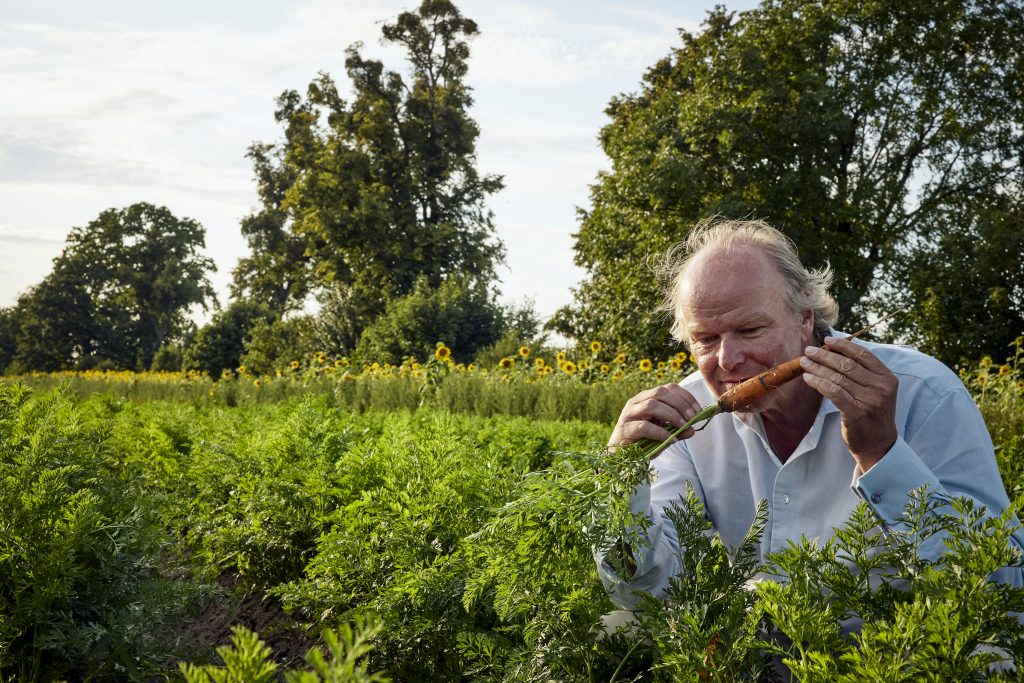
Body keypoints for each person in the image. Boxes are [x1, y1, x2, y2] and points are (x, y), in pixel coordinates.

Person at [596, 218, 1024, 609]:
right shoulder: (688, 418)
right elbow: (644, 591)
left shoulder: (924, 392)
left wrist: (882, 452)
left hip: (897, 652)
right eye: (705, 338)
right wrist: (620, 484)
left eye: (750, 330)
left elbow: (1001, 580)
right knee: (618, 627)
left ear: (803, 320)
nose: (727, 360)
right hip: (758, 654)